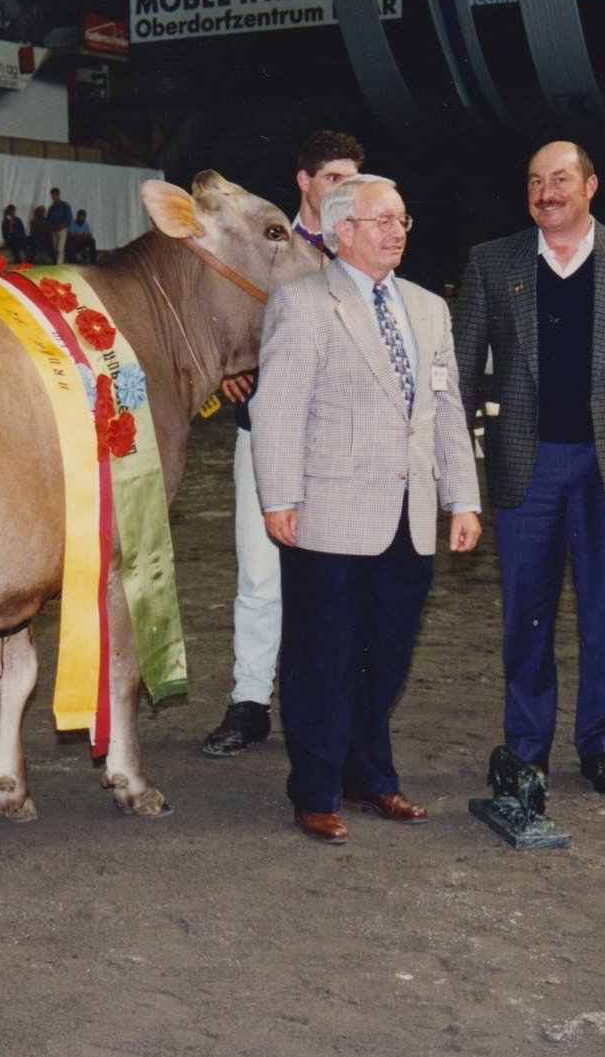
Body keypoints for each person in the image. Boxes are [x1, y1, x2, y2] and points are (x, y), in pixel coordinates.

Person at [453, 141, 605, 797]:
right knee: (524, 615)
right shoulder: (491, 261)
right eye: (534, 180)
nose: (546, 191)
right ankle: (526, 747)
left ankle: (601, 745)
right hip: (523, 468)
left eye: (560, 178)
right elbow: (461, 371)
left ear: (590, 185)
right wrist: (456, 478)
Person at [250, 174, 482, 844]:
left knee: (387, 657)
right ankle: (316, 787)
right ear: (341, 229)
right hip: (326, 511)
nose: (397, 231)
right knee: (322, 656)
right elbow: (278, 408)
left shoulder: (428, 308)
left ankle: (369, 776)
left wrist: (461, 498)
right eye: (383, 220)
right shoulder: (301, 303)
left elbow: (444, 411)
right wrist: (279, 497)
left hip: (409, 515)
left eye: (403, 220)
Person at [202, 128, 364, 757]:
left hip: (344, 442)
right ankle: (249, 702)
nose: (343, 191)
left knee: (338, 575)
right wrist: (228, 365)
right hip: (264, 433)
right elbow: (217, 316)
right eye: (332, 179)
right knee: (259, 574)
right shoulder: (259, 245)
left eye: (353, 180)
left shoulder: (367, 246)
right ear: (303, 181)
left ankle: (329, 700)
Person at [45, 188, 72, 267]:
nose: (54, 197)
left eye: (55, 195)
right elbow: (48, 219)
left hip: (62, 229)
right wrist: (50, 226)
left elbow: (68, 218)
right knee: (55, 248)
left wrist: (63, 225)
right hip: (54, 229)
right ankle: (56, 263)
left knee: (60, 248)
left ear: (58, 195)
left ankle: (59, 265)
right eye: (52, 196)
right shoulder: (51, 208)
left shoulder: (65, 206)